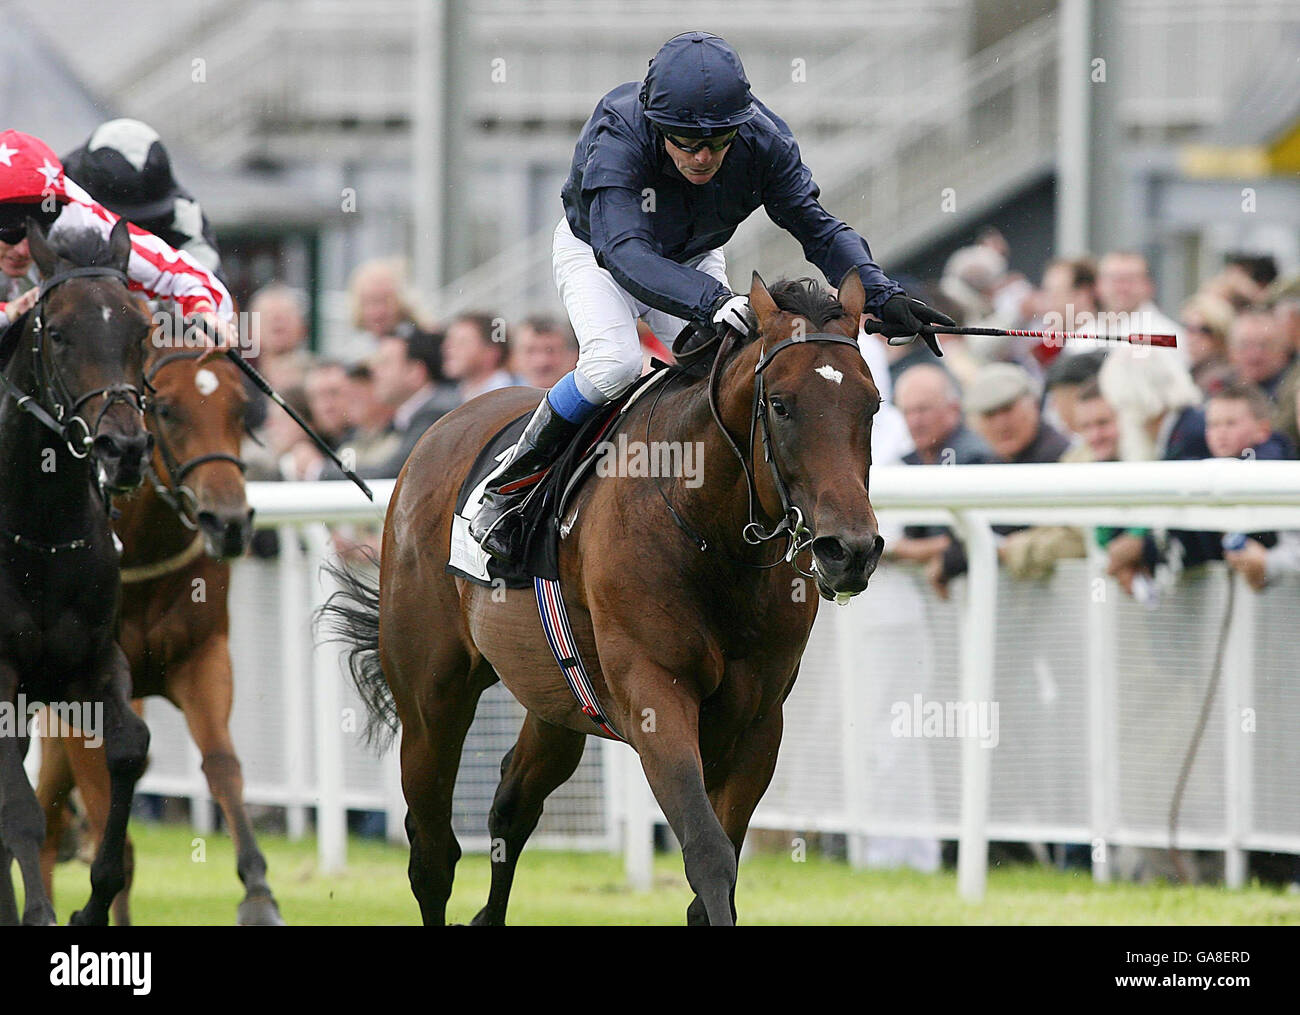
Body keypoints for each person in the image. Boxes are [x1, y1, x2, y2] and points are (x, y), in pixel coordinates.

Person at [469, 31, 953, 560]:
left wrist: (883, 294)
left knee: (729, 375)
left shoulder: (763, 140)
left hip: (693, 258)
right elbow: (625, 252)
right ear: (658, 126)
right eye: (686, 142)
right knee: (614, 364)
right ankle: (509, 486)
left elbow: (817, 228)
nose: (703, 157)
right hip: (599, 254)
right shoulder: (618, 132)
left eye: (719, 142)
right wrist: (709, 301)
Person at [0, 130, 235, 354]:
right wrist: (8, 312)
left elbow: (182, 273)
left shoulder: (76, 215)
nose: (24, 248)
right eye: (9, 232)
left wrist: (203, 312)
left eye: (38, 231)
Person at [61, 118, 222, 276]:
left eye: (139, 222)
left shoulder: (182, 211)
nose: (130, 232)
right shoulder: (52, 194)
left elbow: (207, 275)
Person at [361, 329, 458, 479]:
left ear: (415, 372)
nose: (374, 372)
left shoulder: (436, 415)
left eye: (384, 363)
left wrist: (317, 468)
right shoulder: (418, 414)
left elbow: (395, 474)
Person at [441, 312, 518, 402]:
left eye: (461, 342)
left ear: (491, 351)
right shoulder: (453, 398)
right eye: (449, 341)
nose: (447, 348)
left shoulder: (514, 398)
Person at [510, 314, 580, 389]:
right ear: (513, 357)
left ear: (573, 356)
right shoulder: (499, 397)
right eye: (530, 351)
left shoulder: (591, 397)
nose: (541, 361)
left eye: (551, 350)